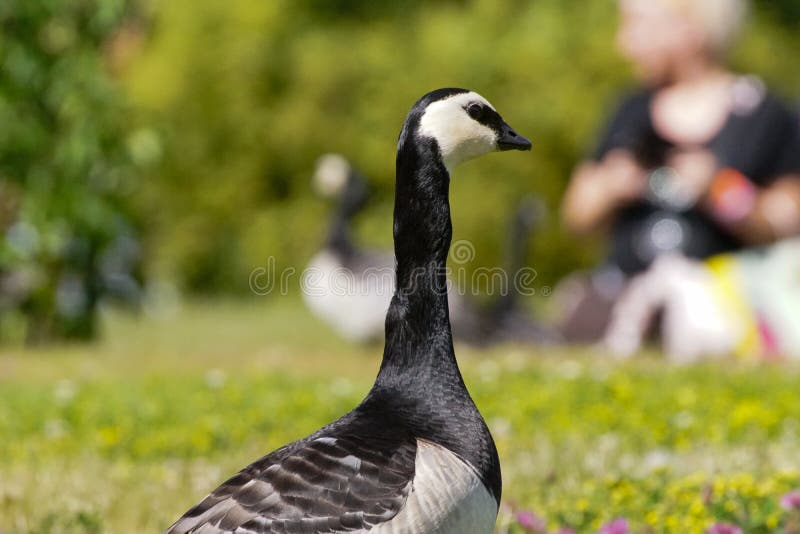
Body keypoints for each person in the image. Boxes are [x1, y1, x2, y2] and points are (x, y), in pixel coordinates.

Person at [557, 0, 800, 342]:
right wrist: (612, 184)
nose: (624, 43)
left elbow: (787, 219)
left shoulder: (759, 113)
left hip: (720, 302)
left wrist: (718, 190)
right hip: (624, 291)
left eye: (639, 25)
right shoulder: (631, 109)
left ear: (692, 30)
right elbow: (576, 216)